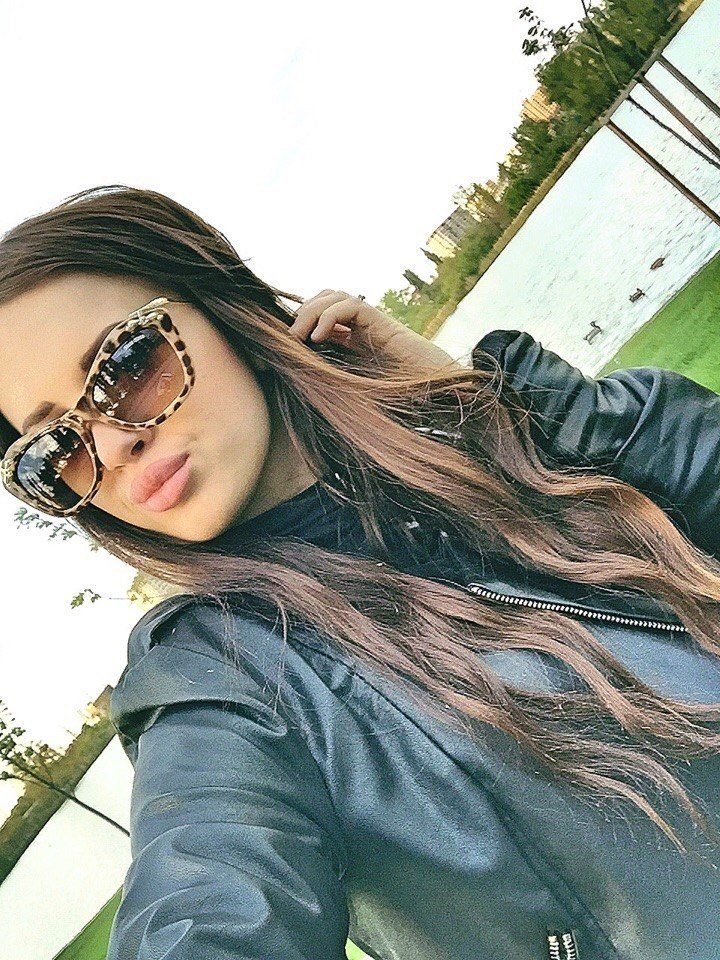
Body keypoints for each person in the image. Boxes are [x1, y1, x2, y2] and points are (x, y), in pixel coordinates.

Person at [1, 185, 719, 960]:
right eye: (55, 449)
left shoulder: (500, 455)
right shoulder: (221, 684)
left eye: (127, 364)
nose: (113, 447)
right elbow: (209, 903)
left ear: (224, 308)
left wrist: (496, 412)